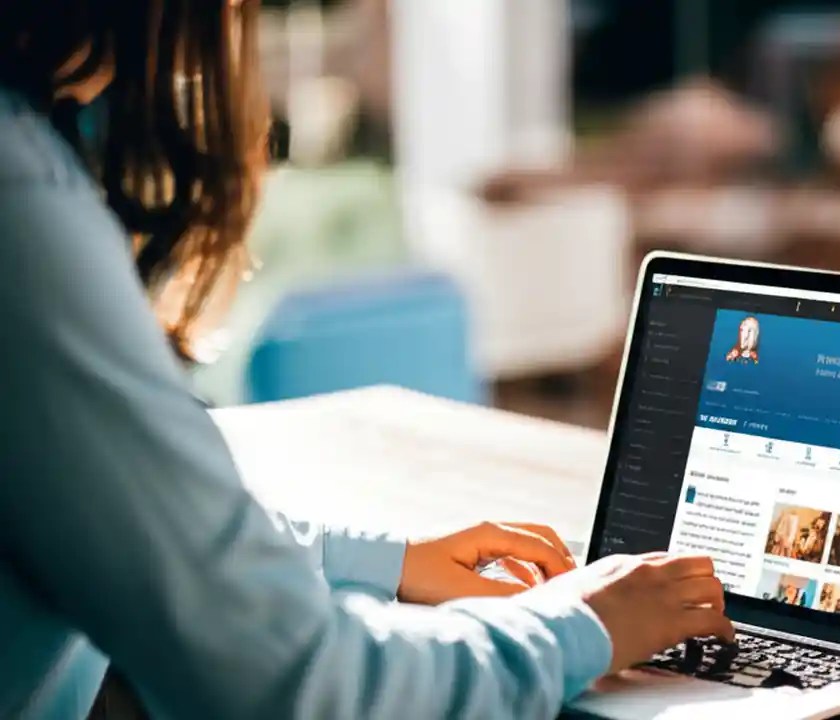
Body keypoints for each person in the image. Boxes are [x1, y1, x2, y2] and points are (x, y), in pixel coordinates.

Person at [0, 3, 732, 719]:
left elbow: (132, 518)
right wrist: (578, 626)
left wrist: (387, 561)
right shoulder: (22, 202)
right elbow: (299, 686)